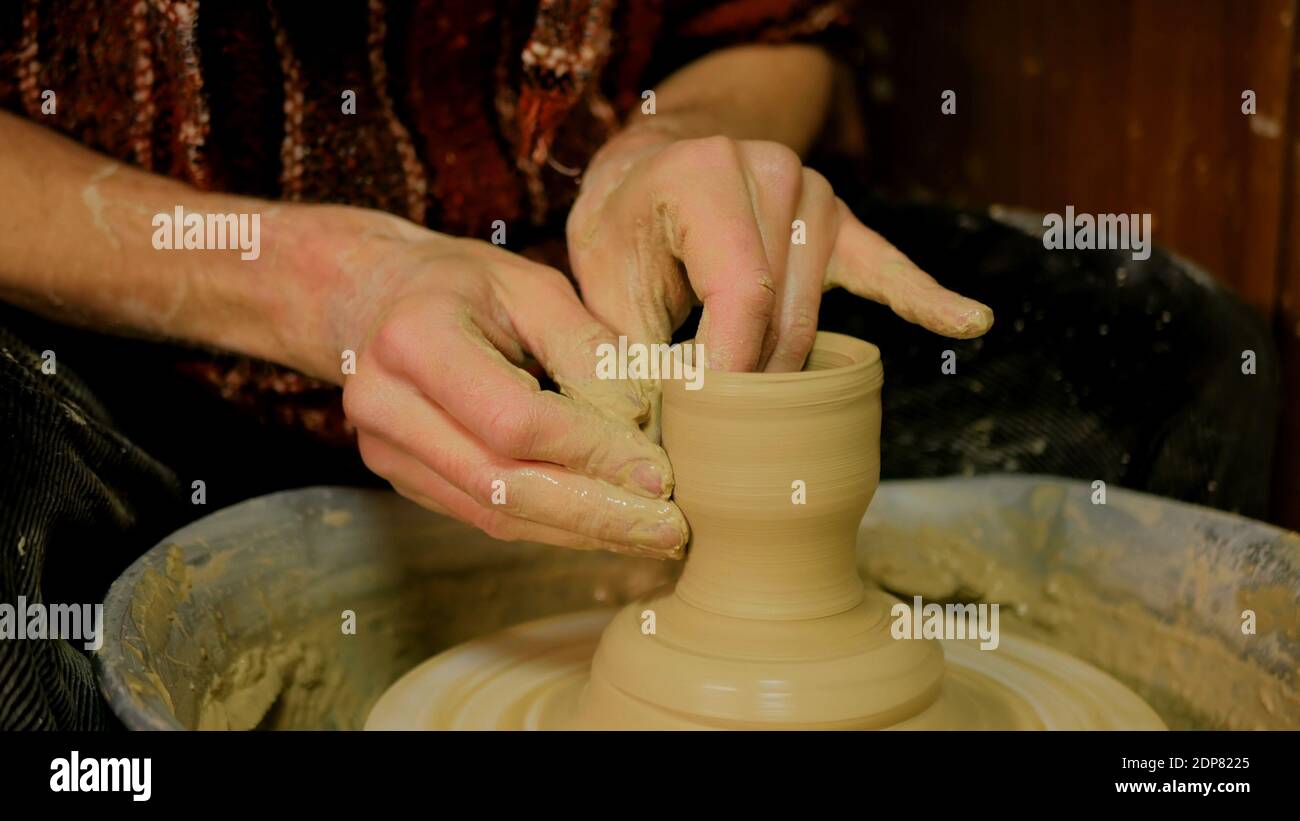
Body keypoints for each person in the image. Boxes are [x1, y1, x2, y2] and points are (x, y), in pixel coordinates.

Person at [0, 1, 991, 728]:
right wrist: (321, 285)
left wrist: (674, 138)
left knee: (1075, 369)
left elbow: (774, 33)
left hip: (623, 316)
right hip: (138, 331)